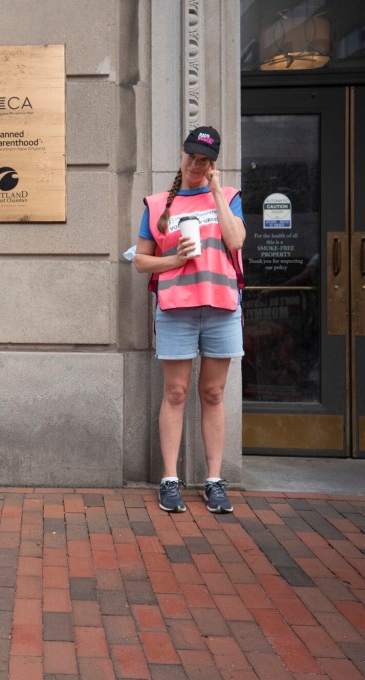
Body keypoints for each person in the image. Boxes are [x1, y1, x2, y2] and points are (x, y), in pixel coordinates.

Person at [133, 126, 246, 515]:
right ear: (182, 156)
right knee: (176, 393)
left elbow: (235, 242)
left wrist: (216, 192)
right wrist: (174, 261)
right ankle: (169, 478)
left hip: (221, 307)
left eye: (204, 160)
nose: (196, 165)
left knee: (213, 393)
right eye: (191, 157)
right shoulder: (159, 203)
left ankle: (214, 480)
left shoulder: (229, 197)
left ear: (214, 163)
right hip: (176, 307)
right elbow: (140, 261)